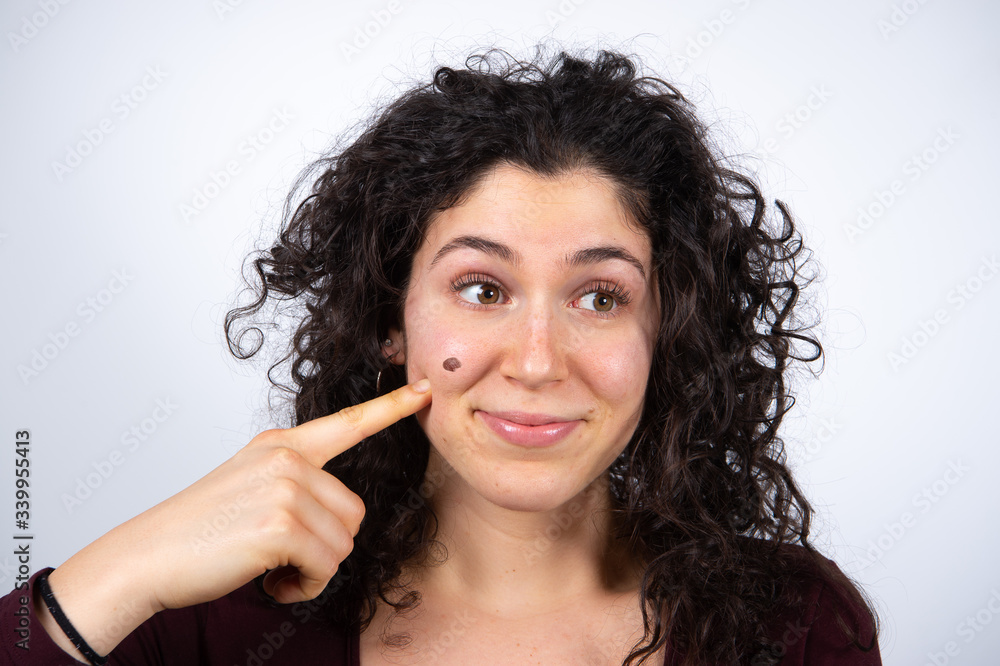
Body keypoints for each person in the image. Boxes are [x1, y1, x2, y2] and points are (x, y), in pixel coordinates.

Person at [1, 45, 881, 665]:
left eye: (600, 297)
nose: (537, 362)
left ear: (667, 331)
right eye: (482, 289)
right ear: (393, 319)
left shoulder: (793, 624)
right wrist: (116, 574)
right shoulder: (212, 622)